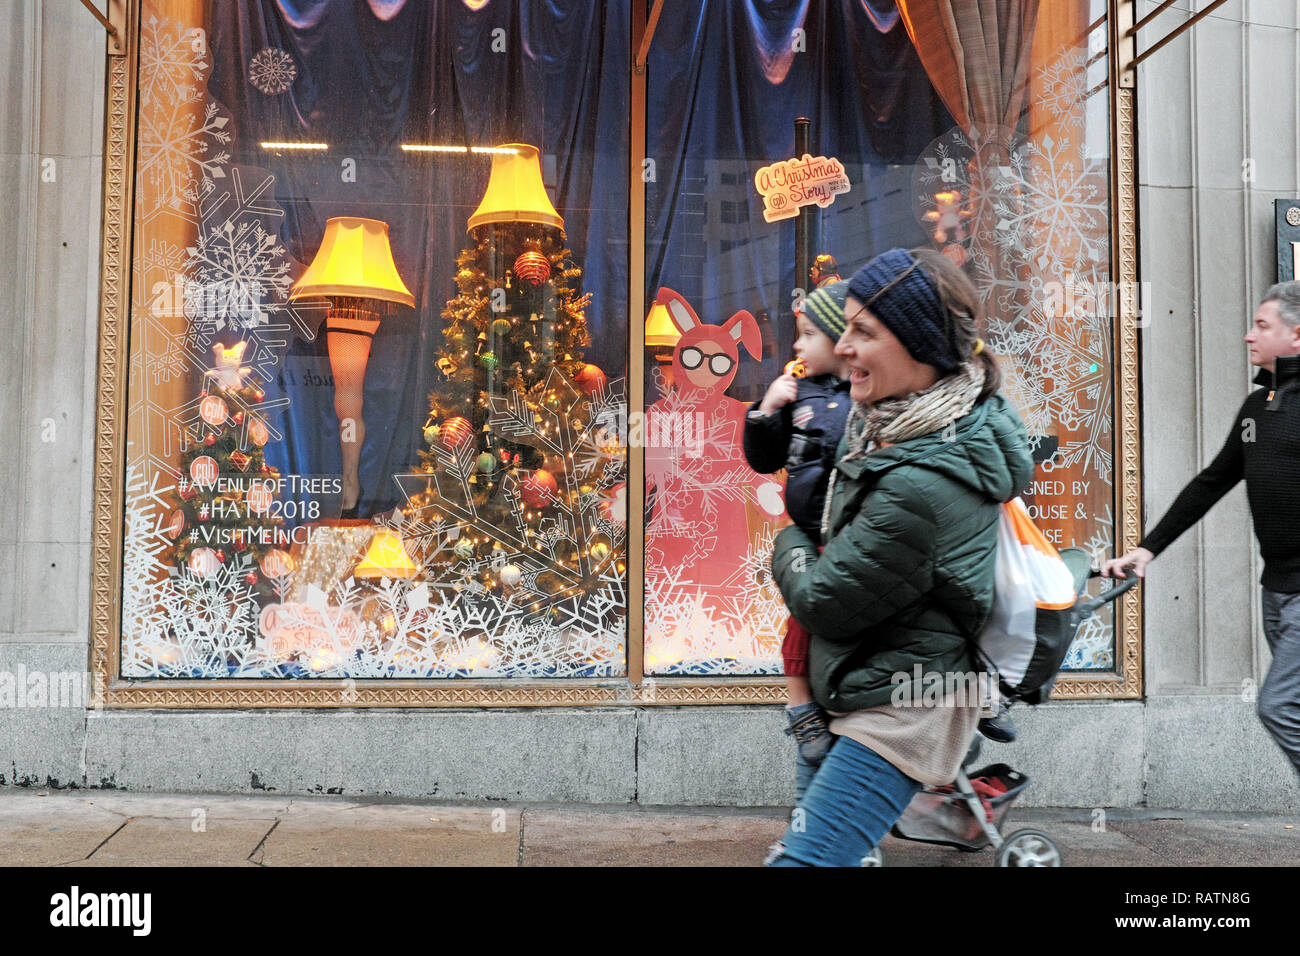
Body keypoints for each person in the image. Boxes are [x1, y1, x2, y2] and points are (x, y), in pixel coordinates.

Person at [765, 247, 1032, 867]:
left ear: (920, 348)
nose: (844, 346)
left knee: (805, 862)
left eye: (864, 331)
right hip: (870, 679)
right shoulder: (898, 427)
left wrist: (789, 539)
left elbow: (822, 601)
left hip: (902, 706)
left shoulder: (921, 480)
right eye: (845, 327)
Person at [1104, 281, 1300, 781]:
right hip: (1276, 594)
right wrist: (1148, 549)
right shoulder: (1259, 408)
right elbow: (1212, 482)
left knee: (1276, 708)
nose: (1247, 336)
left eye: (1261, 326)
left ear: (1295, 337)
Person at [742, 281, 852, 792]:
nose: (797, 346)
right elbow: (763, 460)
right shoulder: (796, 391)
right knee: (802, 622)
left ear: (841, 339)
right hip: (809, 534)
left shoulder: (870, 392)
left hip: (853, 535)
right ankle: (801, 707)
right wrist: (766, 410)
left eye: (808, 335)